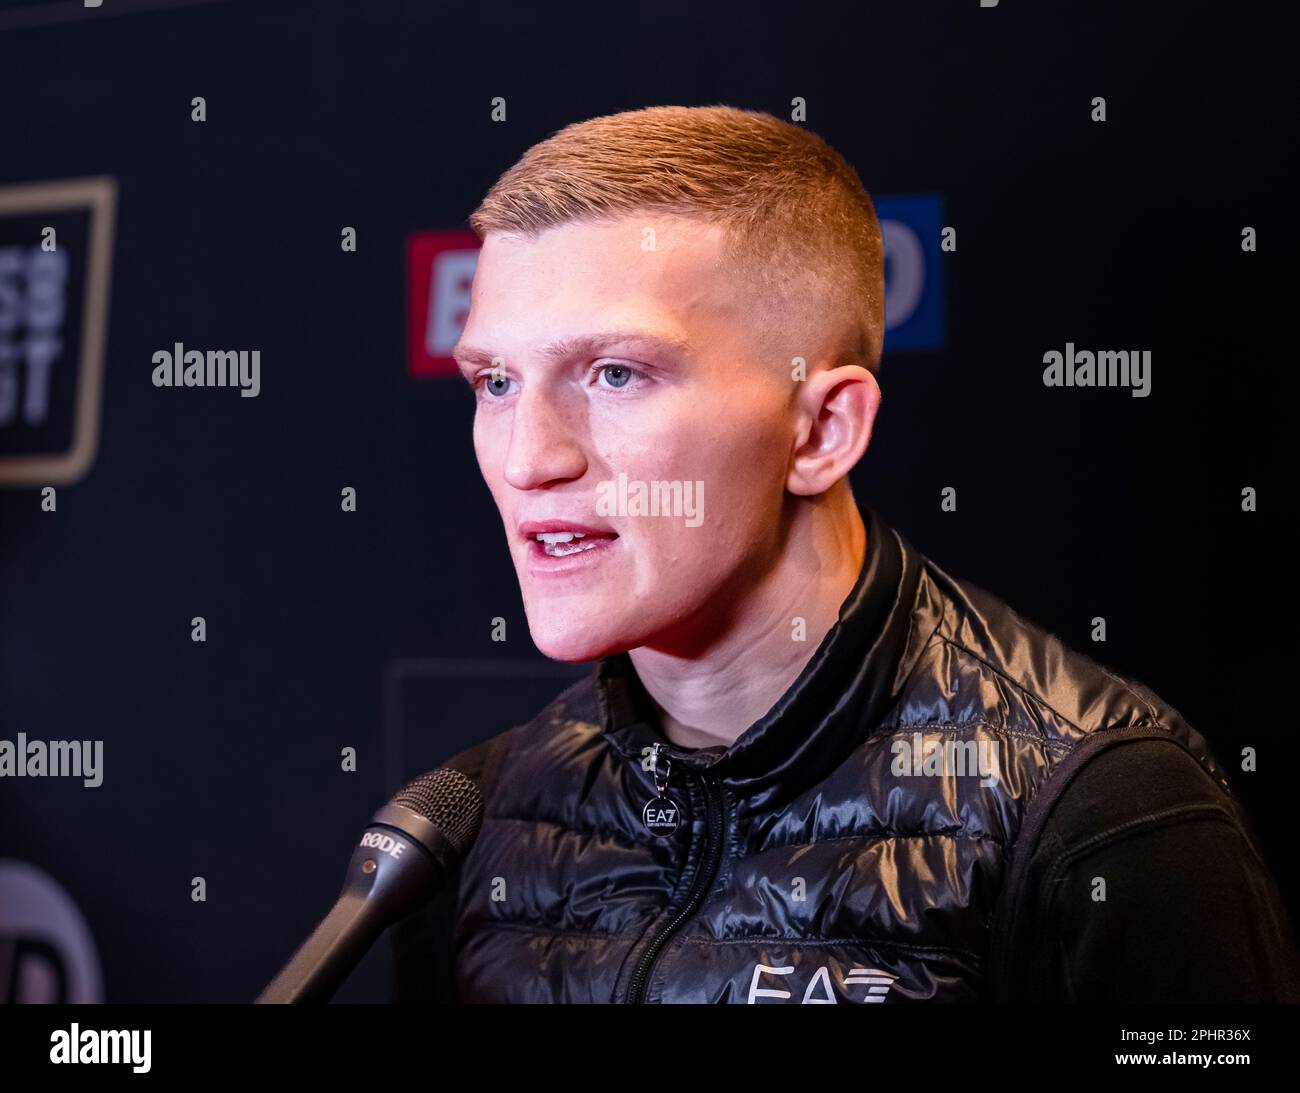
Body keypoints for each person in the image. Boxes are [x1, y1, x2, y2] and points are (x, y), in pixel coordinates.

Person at [391, 104, 1300, 1003]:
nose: (527, 457)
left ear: (822, 429)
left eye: (616, 373)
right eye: (497, 382)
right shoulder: (477, 818)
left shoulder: (1104, 817)